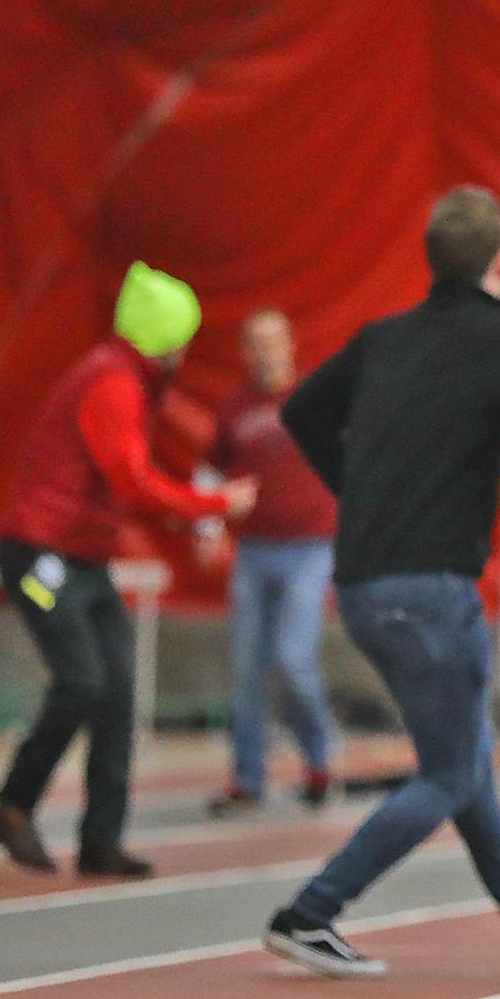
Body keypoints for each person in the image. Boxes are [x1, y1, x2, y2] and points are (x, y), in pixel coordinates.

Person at [263, 186, 500, 978]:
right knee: (452, 770)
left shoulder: (384, 337)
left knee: (459, 757)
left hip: (362, 583)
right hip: (430, 592)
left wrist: (355, 491)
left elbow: (302, 414)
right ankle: (310, 912)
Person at [0, 262, 258, 880]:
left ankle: (100, 840)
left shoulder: (125, 378)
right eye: (183, 335)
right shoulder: (112, 382)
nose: (187, 348)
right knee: (81, 681)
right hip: (39, 558)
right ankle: (13, 807)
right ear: (163, 335)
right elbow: (130, 482)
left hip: (83, 559)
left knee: (116, 695)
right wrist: (212, 506)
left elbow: (121, 486)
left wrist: (187, 517)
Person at [203, 308, 342, 818]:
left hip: (310, 548)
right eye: (254, 343)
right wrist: (207, 524)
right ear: (245, 351)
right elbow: (209, 469)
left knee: (293, 658)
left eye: (273, 342)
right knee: (248, 669)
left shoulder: (315, 399)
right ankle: (247, 778)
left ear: (290, 346)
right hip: (254, 550)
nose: (264, 352)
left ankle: (320, 759)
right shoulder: (236, 408)